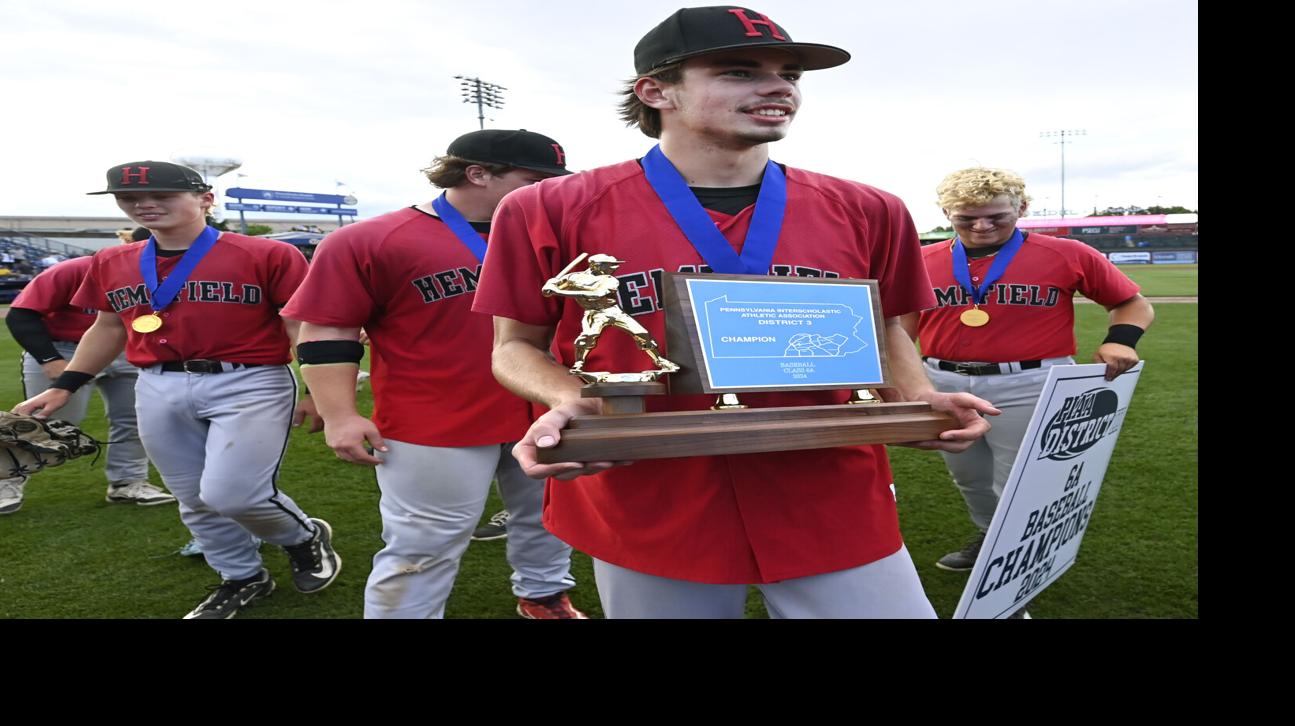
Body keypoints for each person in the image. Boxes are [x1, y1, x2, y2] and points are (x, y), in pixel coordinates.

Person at [473, 6, 997, 619]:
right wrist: (568, 400)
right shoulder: (547, 206)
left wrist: (917, 399)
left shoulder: (869, 207)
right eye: (740, 71)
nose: (779, 87)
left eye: (790, 73)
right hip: (649, 487)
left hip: (829, 482)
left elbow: (882, 330)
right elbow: (513, 346)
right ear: (655, 90)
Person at [13, 160, 341, 619]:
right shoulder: (111, 260)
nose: (144, 205)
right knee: (192, 496)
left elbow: (298, 324)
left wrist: (318, 391)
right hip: (157, 382)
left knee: (235, 493)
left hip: (249, 379)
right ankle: (242, 576)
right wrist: (67, 384)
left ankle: (303, 536)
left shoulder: (267, 253)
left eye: (162, 196)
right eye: (129, 199)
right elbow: (109, 327)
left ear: (206, 199)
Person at [284, 130, 587, 619]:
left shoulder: (558, 235)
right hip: (436, 418)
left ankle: (544, 594)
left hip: (552, 404)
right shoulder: (372, 238)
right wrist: (339, 414)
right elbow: (327, 331)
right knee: (423, 543)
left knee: (549, 519)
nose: (548, 192)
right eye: (533, 180)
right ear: (477, 173)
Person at [906, 167, 1154, 573]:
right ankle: (992, 541)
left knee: (1020, 481)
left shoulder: (1067, 253)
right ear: (946, 212)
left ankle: (1012, 568)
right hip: (942, 380)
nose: (982, 226)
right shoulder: (922, 259)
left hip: (1032, 381)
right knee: (968, 475)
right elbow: (903, 327)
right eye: (967, 218)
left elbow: (1133, 304)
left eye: (997, 216)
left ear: (1021, 208)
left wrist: (1121, 340)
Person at [2, 255, 176, 514]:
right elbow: (20, 315)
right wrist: (50, 359)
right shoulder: (75, 269)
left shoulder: (164, 271)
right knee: (42, 422)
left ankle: (127, 481)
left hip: (127, 347)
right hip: (63, 348)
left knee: (135, 419)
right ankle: (6, 481)